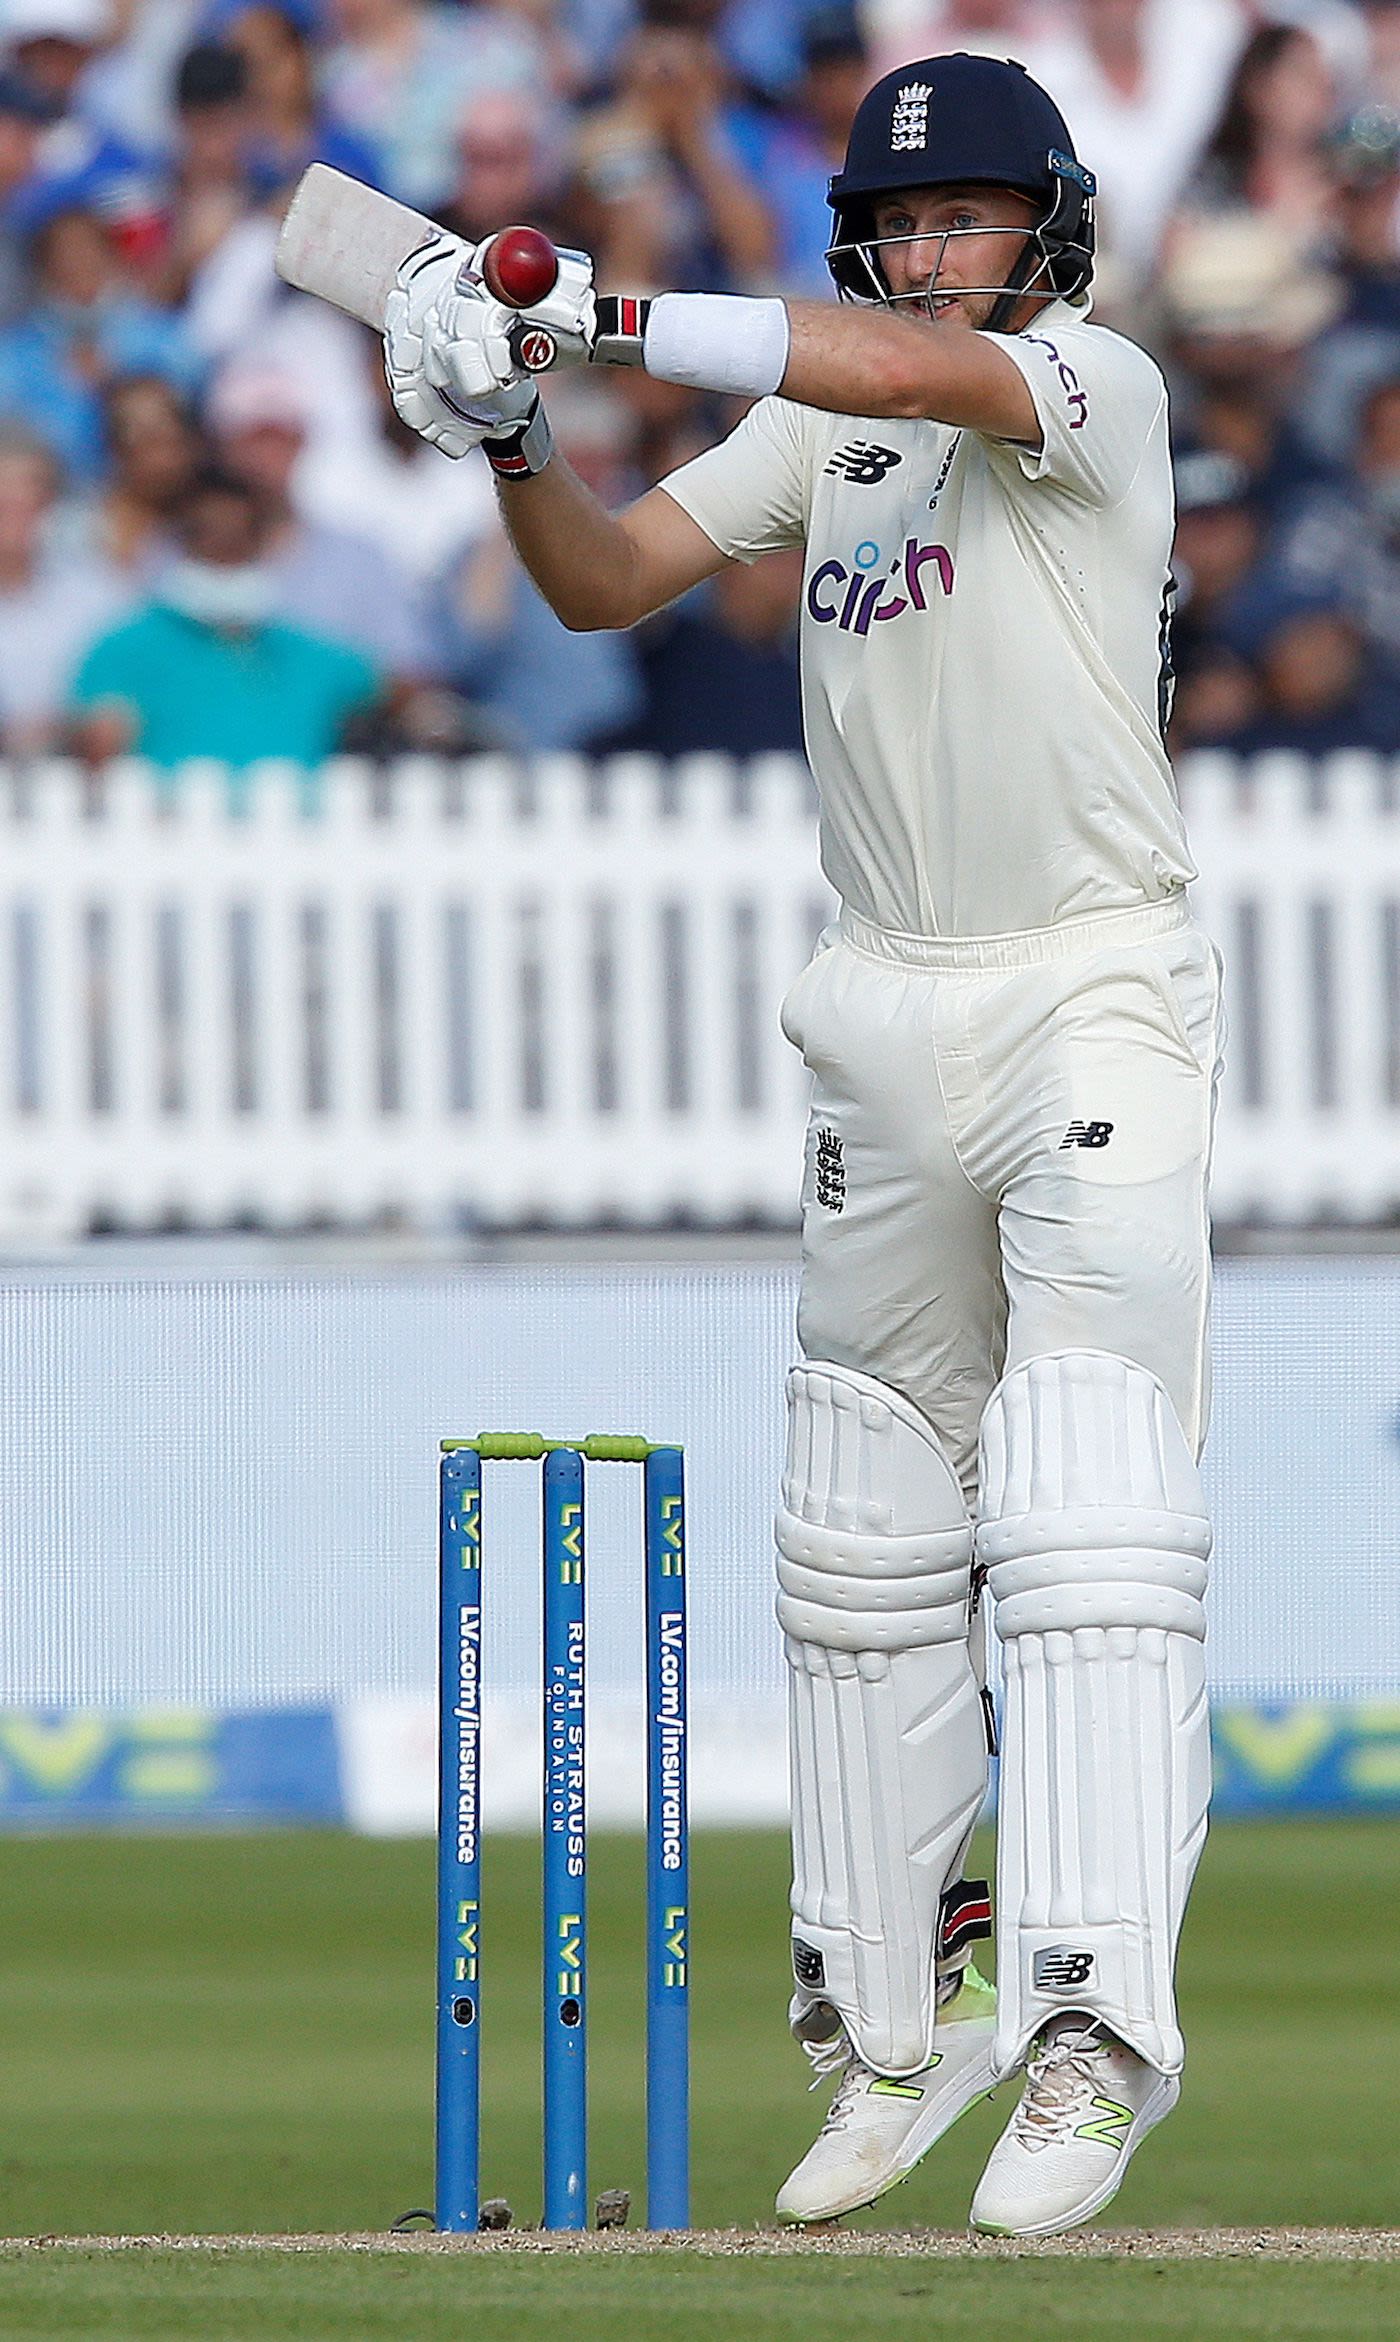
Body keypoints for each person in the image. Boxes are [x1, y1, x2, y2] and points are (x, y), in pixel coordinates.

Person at [380, 51, 1224, 2238]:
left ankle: (1088, 2033)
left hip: (1085, 984)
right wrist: (503, 430)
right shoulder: (819, 425)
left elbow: (907, 364)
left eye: (969, 219)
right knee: (857, 1528)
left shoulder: (1086, 391)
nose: (936, 248)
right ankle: (885, 2024)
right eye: (906, 219)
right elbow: (599, 580)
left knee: (1088, 1503)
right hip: (877, 997)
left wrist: (599, 317)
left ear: (1044, 232)